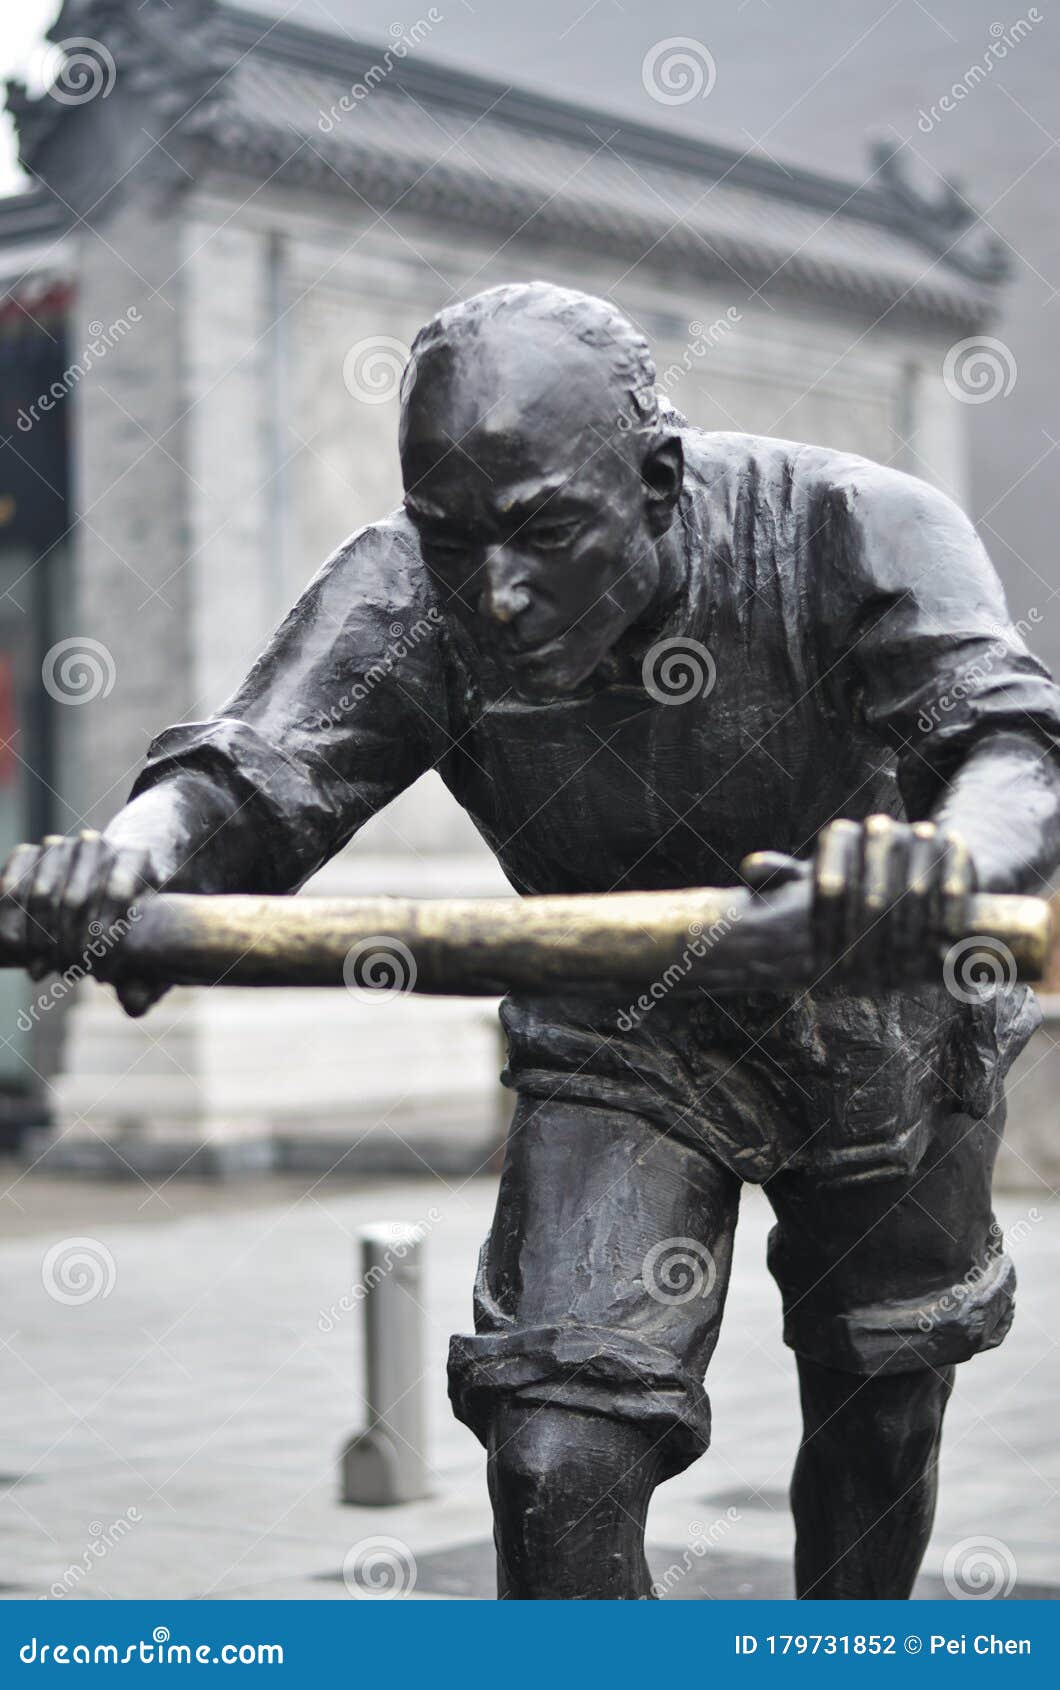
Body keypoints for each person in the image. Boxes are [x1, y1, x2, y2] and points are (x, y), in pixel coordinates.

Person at [3, 282, 1059, 1600]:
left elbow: (1012, 744)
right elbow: (250, 777)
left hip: (880, 1010)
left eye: (547, 532)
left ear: (659, 478)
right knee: (555, 1456)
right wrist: (129, 857)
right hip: (620, 1029)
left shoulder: (854, 527)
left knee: (877, 1415)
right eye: (454, 540)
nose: (496, 595)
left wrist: (943, 867)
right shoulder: (413, 590)